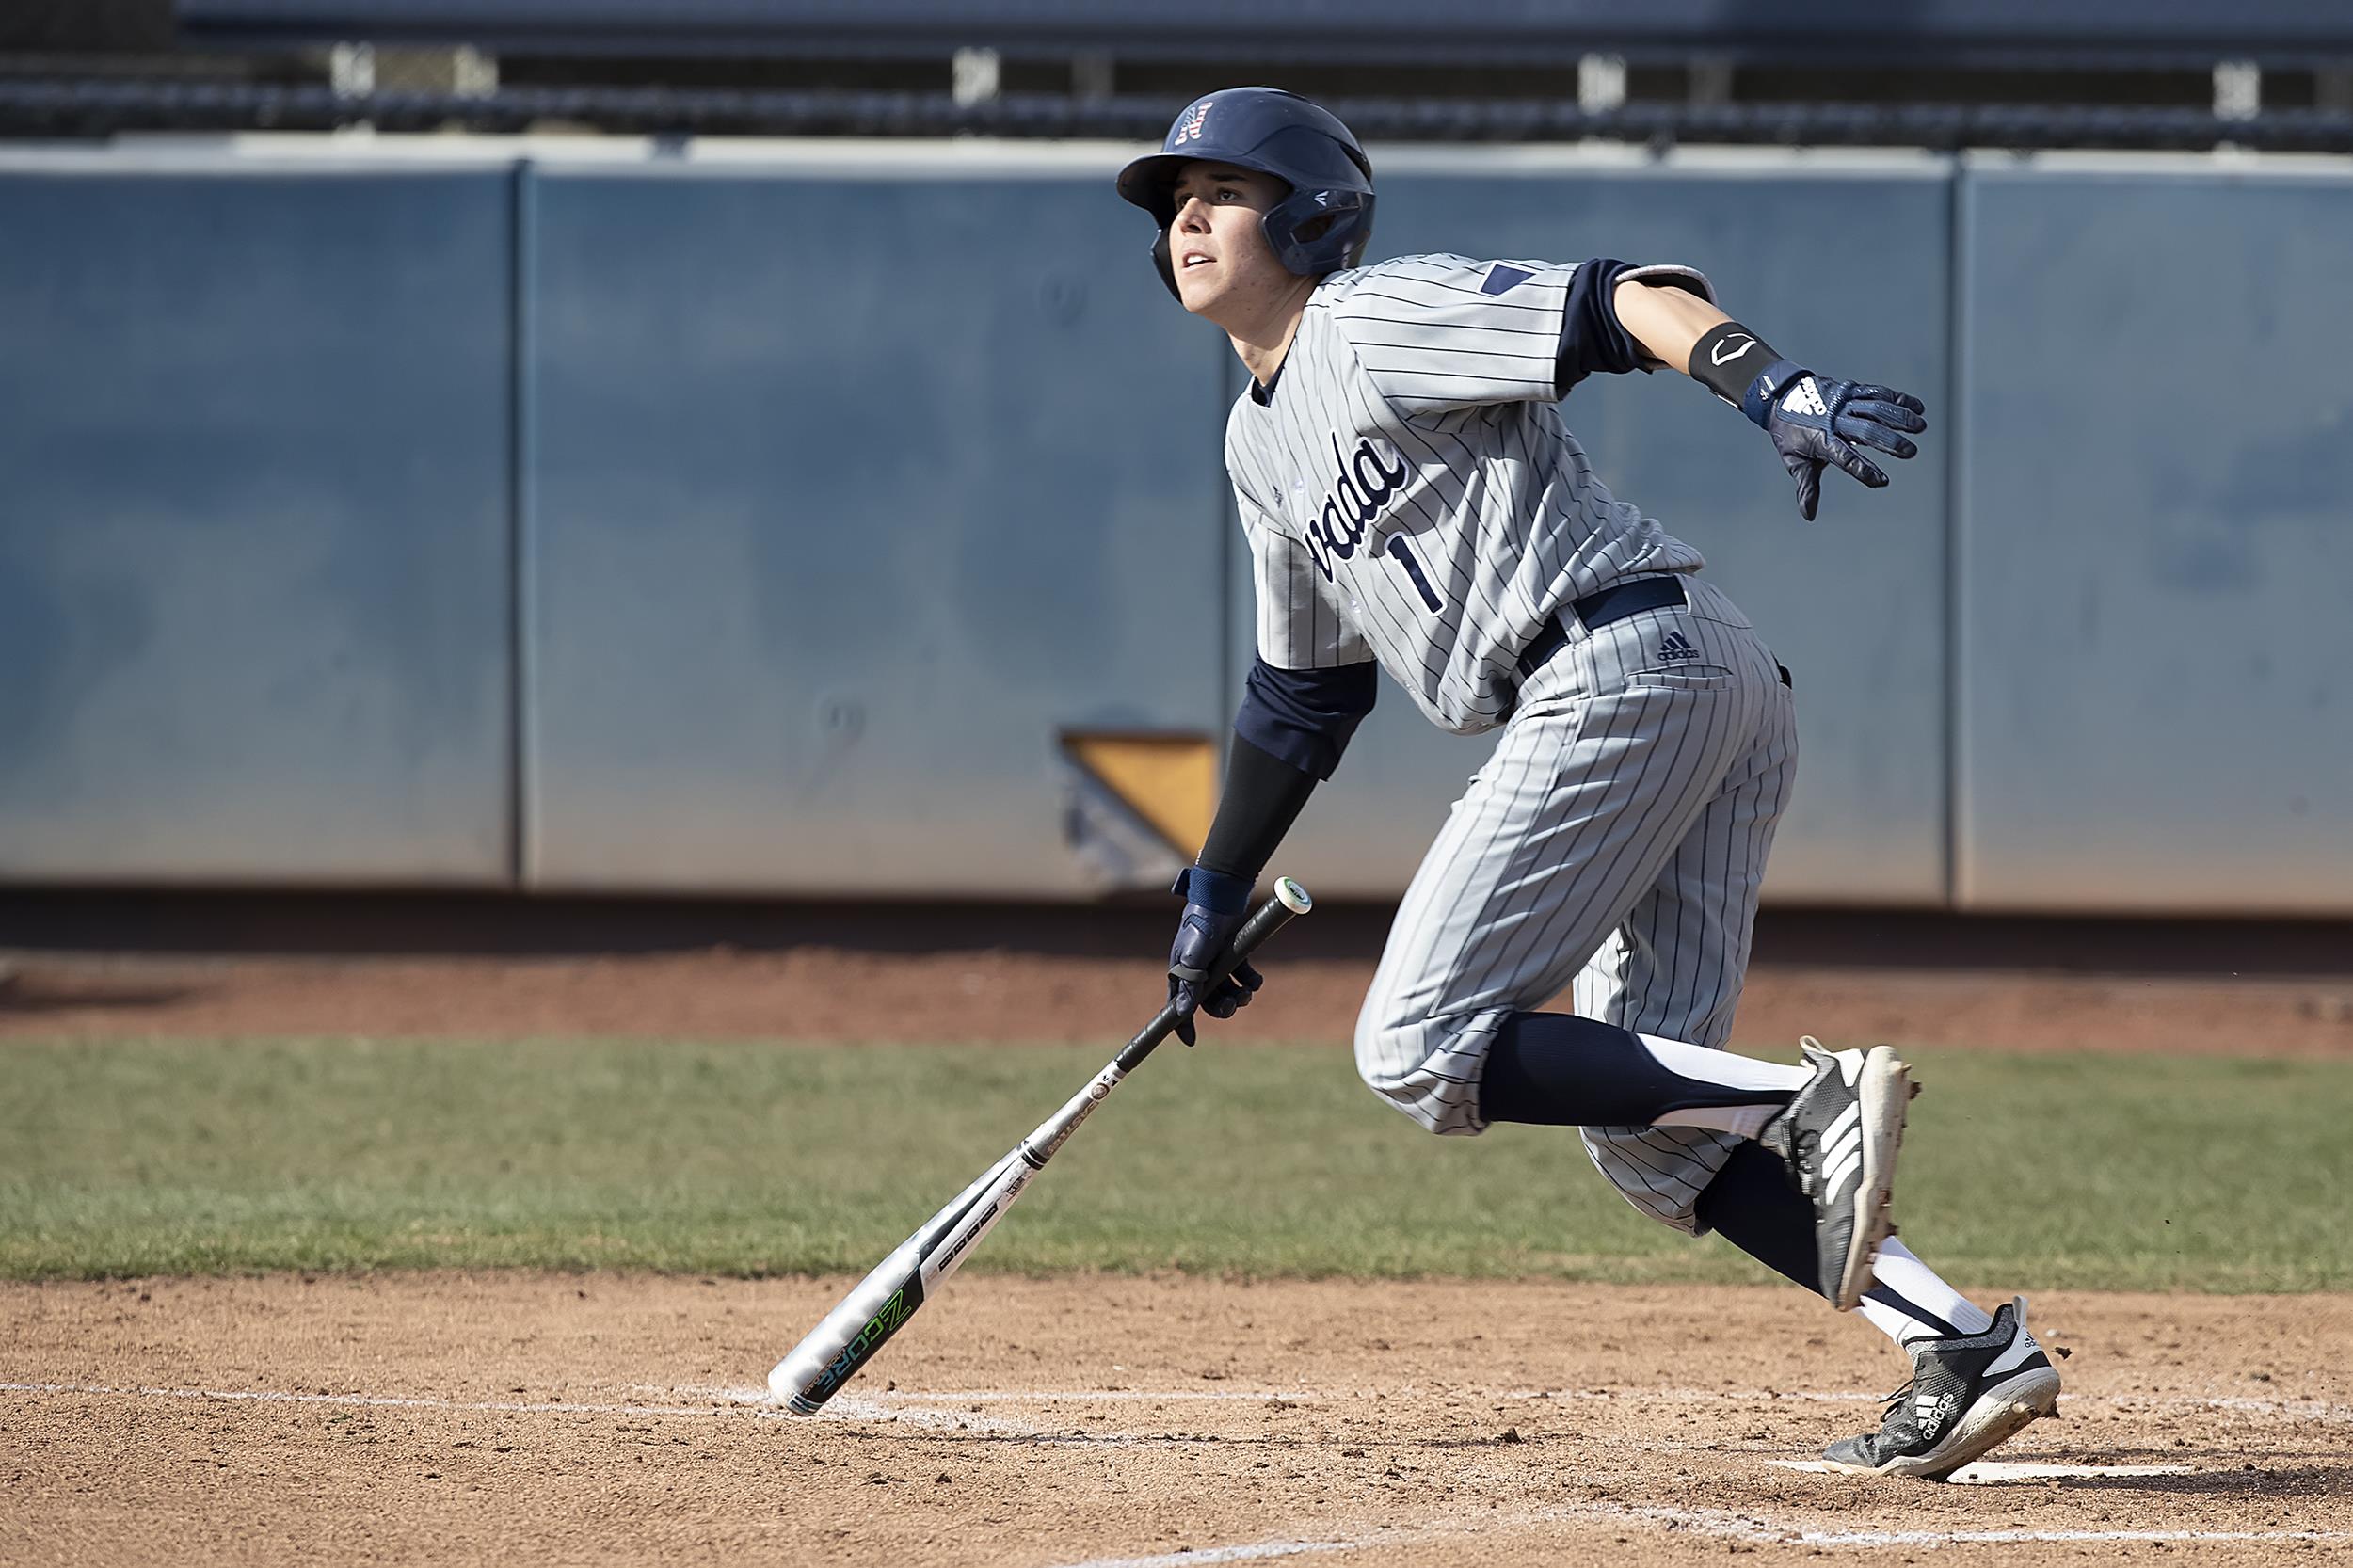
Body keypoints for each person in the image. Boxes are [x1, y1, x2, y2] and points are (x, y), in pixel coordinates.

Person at [1116, 87, 2060, 1480]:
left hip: (1622, 664)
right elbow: (1303, 693)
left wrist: (1768, 382)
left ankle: (1800, 1101)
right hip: (1676, 681)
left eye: (1223, 190)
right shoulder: (1259, 446)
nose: (1188, 215)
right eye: (1172, 200)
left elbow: (1625, 299)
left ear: (1311, 213)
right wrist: (1211, 882)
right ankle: (1967, 1344)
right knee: (1645, 1139)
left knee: (1415, 1045)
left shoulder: (1370, 318)